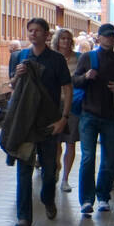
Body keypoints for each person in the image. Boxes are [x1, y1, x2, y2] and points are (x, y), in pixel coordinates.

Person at [6, 17, 72, 226]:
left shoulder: (56, 60)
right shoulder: (19, 56)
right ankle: (24, 217)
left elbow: (67, 88)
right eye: (30, 30)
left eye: (37, 31)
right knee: (24, 169)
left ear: (46, 35)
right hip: (25, 122)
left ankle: (48, 198)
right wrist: (17, 76)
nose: (33, 34)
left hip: (49, 121)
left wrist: (64, 118)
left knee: (49, 169)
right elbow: (13, 86)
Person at [71, 23, 114, 218]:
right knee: (88, 158)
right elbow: (75, 80)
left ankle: (103, 195)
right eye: (106, 35)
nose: (110, 39)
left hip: (112, 115)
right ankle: (87, 200)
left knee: (109, 158)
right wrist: (86, 76)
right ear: (99, 38)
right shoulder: (88, 57)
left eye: (112, 36)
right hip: (89, 114)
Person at [52, 28, 81, 192]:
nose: (66, 41)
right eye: (62, 38)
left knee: (70, 142)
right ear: (58, 40)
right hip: (55, 104)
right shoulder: (53, 58)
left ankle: (65, 179)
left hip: (74, 104)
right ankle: (57, 168)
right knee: (56, 142)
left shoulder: (79, 58)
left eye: (68, 39)